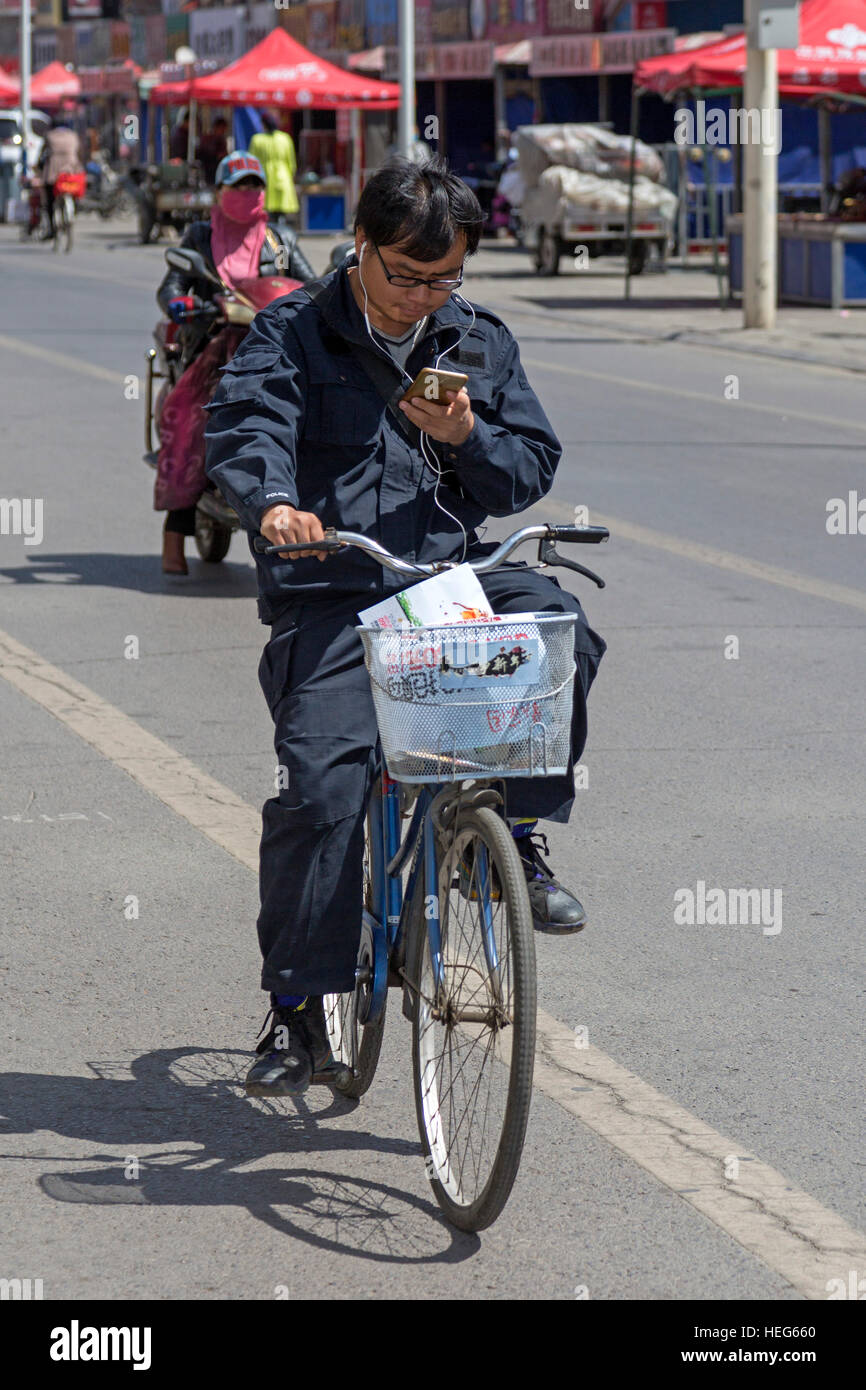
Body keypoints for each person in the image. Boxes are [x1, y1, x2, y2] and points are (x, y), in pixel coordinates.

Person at [204, 156, 606, 1097]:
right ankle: (299, 1009)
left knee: (557, 625)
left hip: (444, 580)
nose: (421, 296)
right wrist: (272, 506)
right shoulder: (292, 332)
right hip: (335, 587)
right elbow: (248, 425)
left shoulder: (474, 337)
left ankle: (518, 828)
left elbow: (528, 467)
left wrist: (467, 436)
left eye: (443, 277)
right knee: (319, 787)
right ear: (361, 248)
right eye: (404, 275)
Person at [153, 151, 315, 574]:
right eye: (237, 185)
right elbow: (171, 286)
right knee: (193, 423)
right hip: (212, 345)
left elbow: (311, 285)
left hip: (277, 348)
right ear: (220, 191)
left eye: (253, 185)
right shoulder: (199, 237)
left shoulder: (280, 239)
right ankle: (175, 532)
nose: (247, 193)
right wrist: (182, 303)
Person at [37, 115, 84, 238]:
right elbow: (79, 151)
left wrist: (39, 165)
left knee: (50, 199)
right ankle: (75, 207)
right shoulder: (73, 135)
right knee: (73, 189)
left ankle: (52, 228)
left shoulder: (49, 135)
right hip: (71, 168)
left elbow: (42, 153)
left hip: (53, 169)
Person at [249, 112, 298, 226]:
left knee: (266, 212)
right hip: (283, 177)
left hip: (264, 178)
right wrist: (291, 174)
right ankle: (281, 238)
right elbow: (291, 162)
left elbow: (252, 162)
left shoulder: (257, 140)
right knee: (281, 213)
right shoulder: (285, 138)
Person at [196, 117, 229, 186]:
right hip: (207, 170)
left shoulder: (222, 140)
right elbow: (202, 153)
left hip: (219, 171)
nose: (223, 132)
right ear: (216, 127)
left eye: (224, 130)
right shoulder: (207, 139)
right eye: (222, 129)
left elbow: (225, 154)